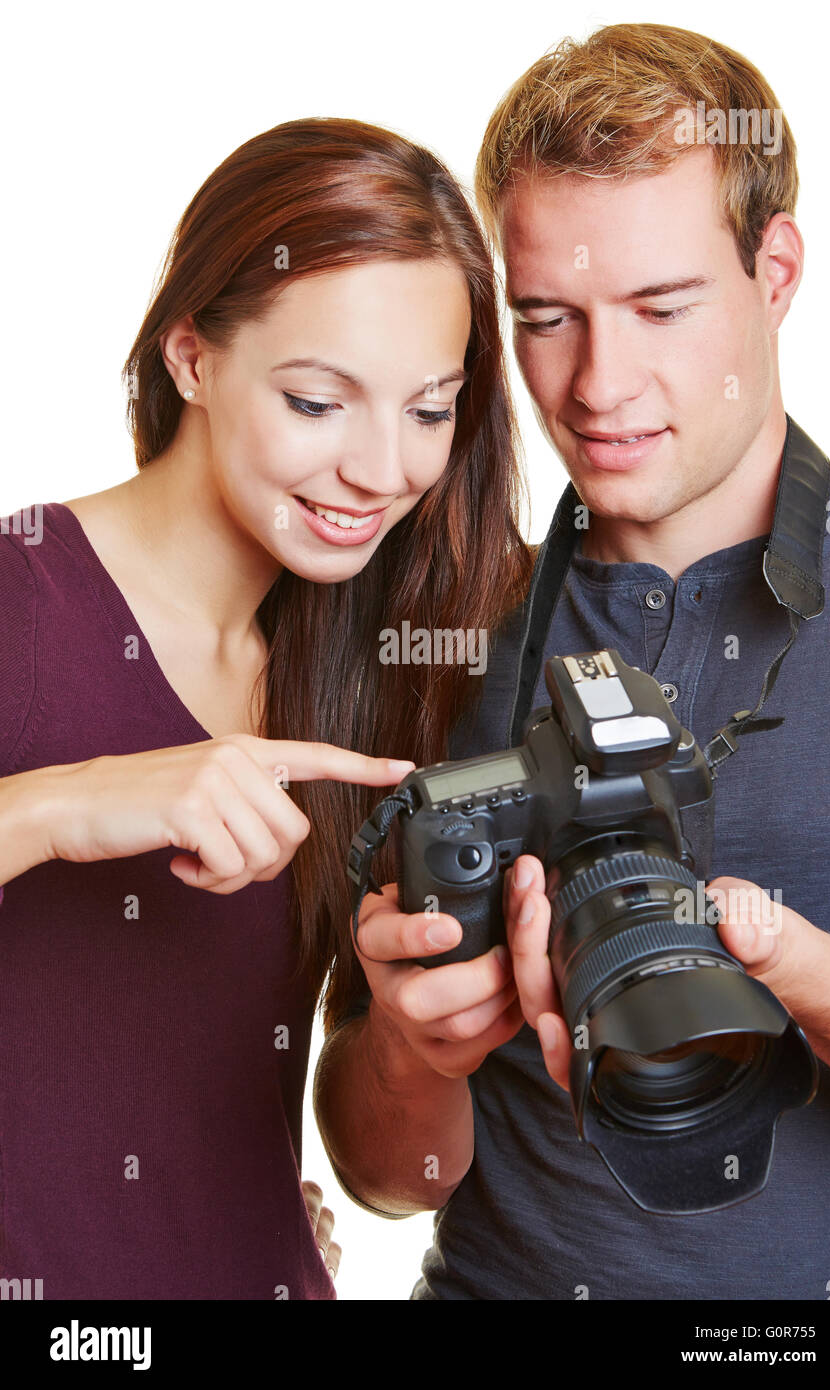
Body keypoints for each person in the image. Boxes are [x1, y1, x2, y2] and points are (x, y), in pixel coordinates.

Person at [314, 24, 830, 1300]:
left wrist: (762, 955)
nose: (596, 385)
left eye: (661, 307)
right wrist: (409, 1050)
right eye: (544, 318)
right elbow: (384, 1175)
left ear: (773, 270)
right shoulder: (439, 624)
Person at [0, 116, 531, 1299]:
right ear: (191, 354)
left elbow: (388, 1175)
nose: (382, 468)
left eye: (429, 409)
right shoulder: (22, 597)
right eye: (316, 401)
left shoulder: (372, 671)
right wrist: (60, 807)